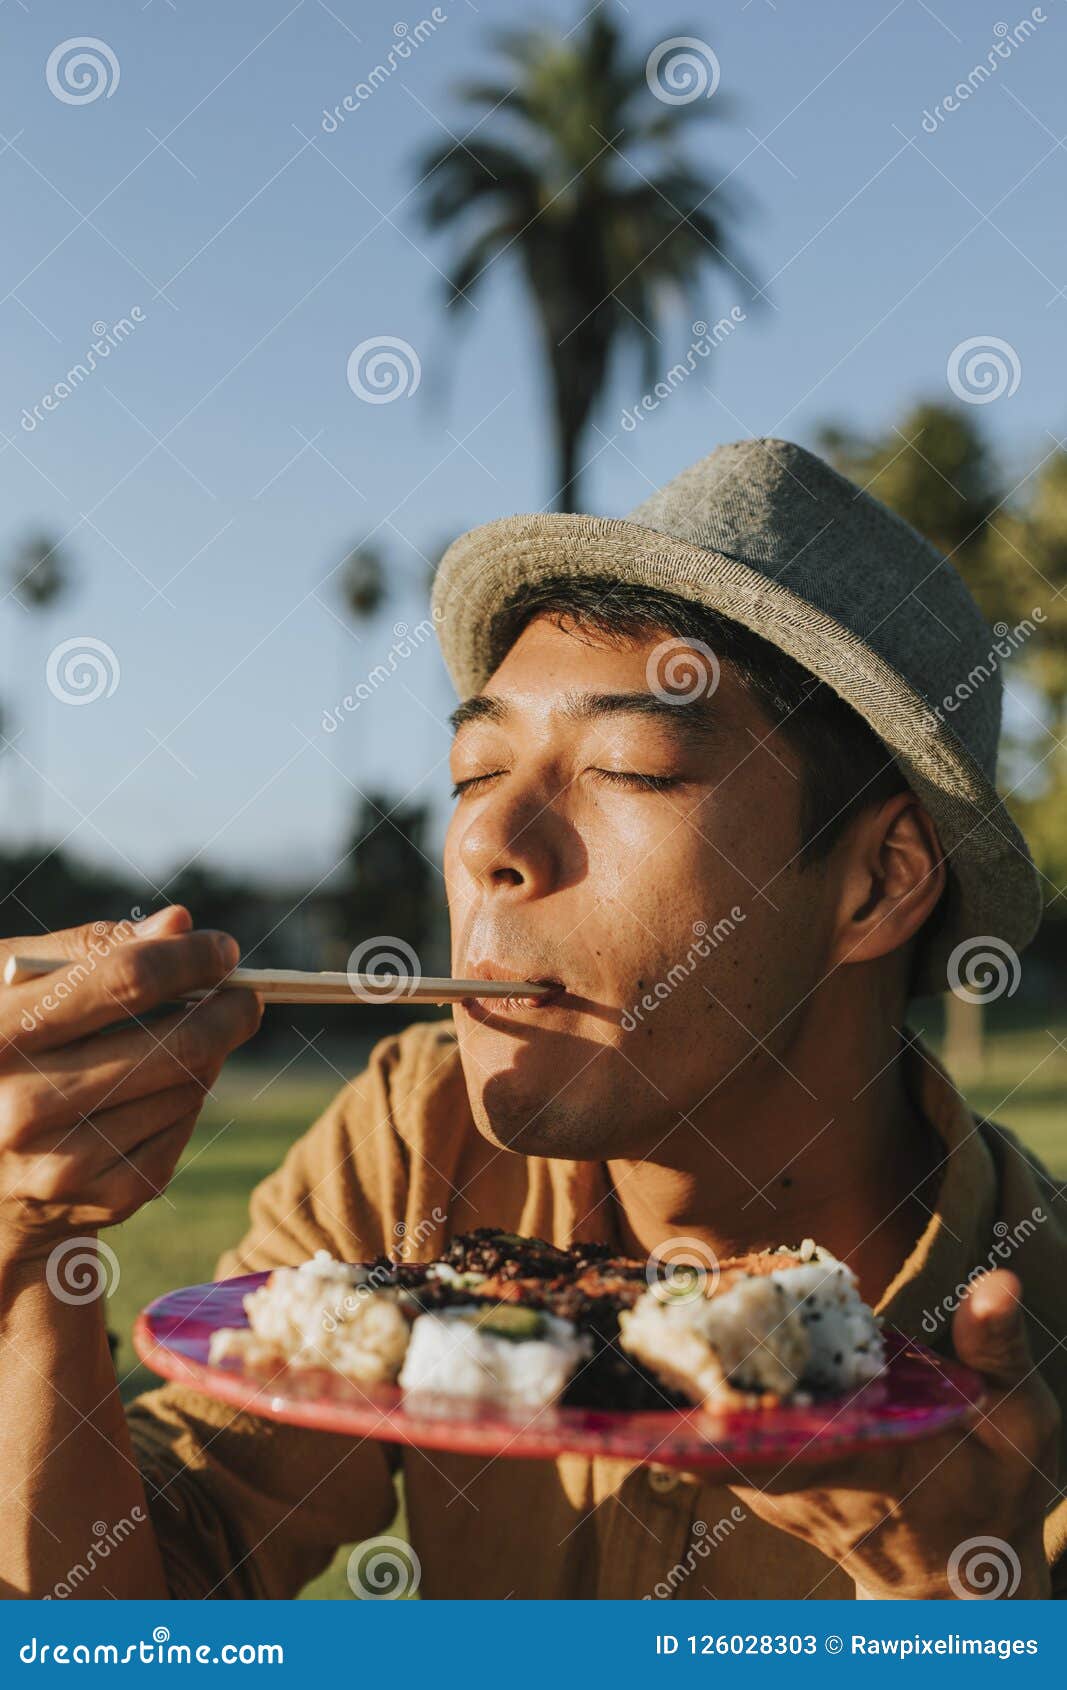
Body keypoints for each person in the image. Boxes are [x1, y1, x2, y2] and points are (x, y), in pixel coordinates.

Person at [1, 438, 1063, 1601]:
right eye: (472, 768)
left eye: (627, 766)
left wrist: (961, 1601)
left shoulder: (1029, 1346)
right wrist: (29, 1231)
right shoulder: (420, 1137)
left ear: (874, 882)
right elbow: (119, 1616)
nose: (485, 843)